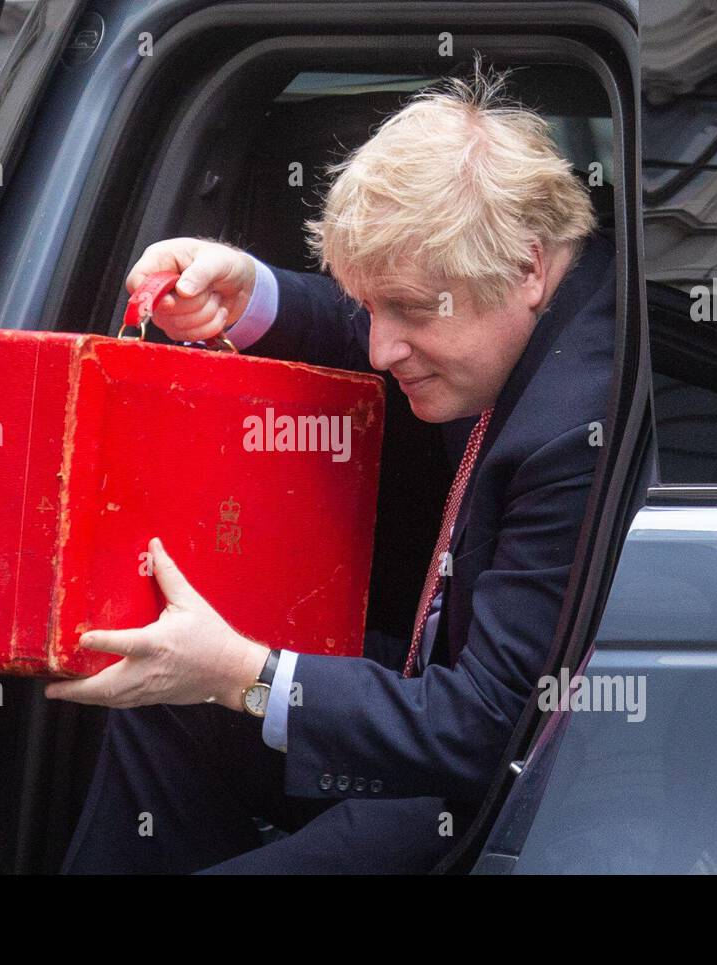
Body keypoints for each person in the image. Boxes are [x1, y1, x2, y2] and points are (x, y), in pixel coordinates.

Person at [45, 65, 616, 873]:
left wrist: (245, 672)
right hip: (440, 716)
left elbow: (489, 728)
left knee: (213, 680)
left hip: (493, 796)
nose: (381, 349)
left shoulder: (576, 428)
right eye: (371, 306)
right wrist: (248, 295)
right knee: (168, 697)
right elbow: (379, 326)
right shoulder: (515, 315)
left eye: (411, 310)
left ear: (526, 267)